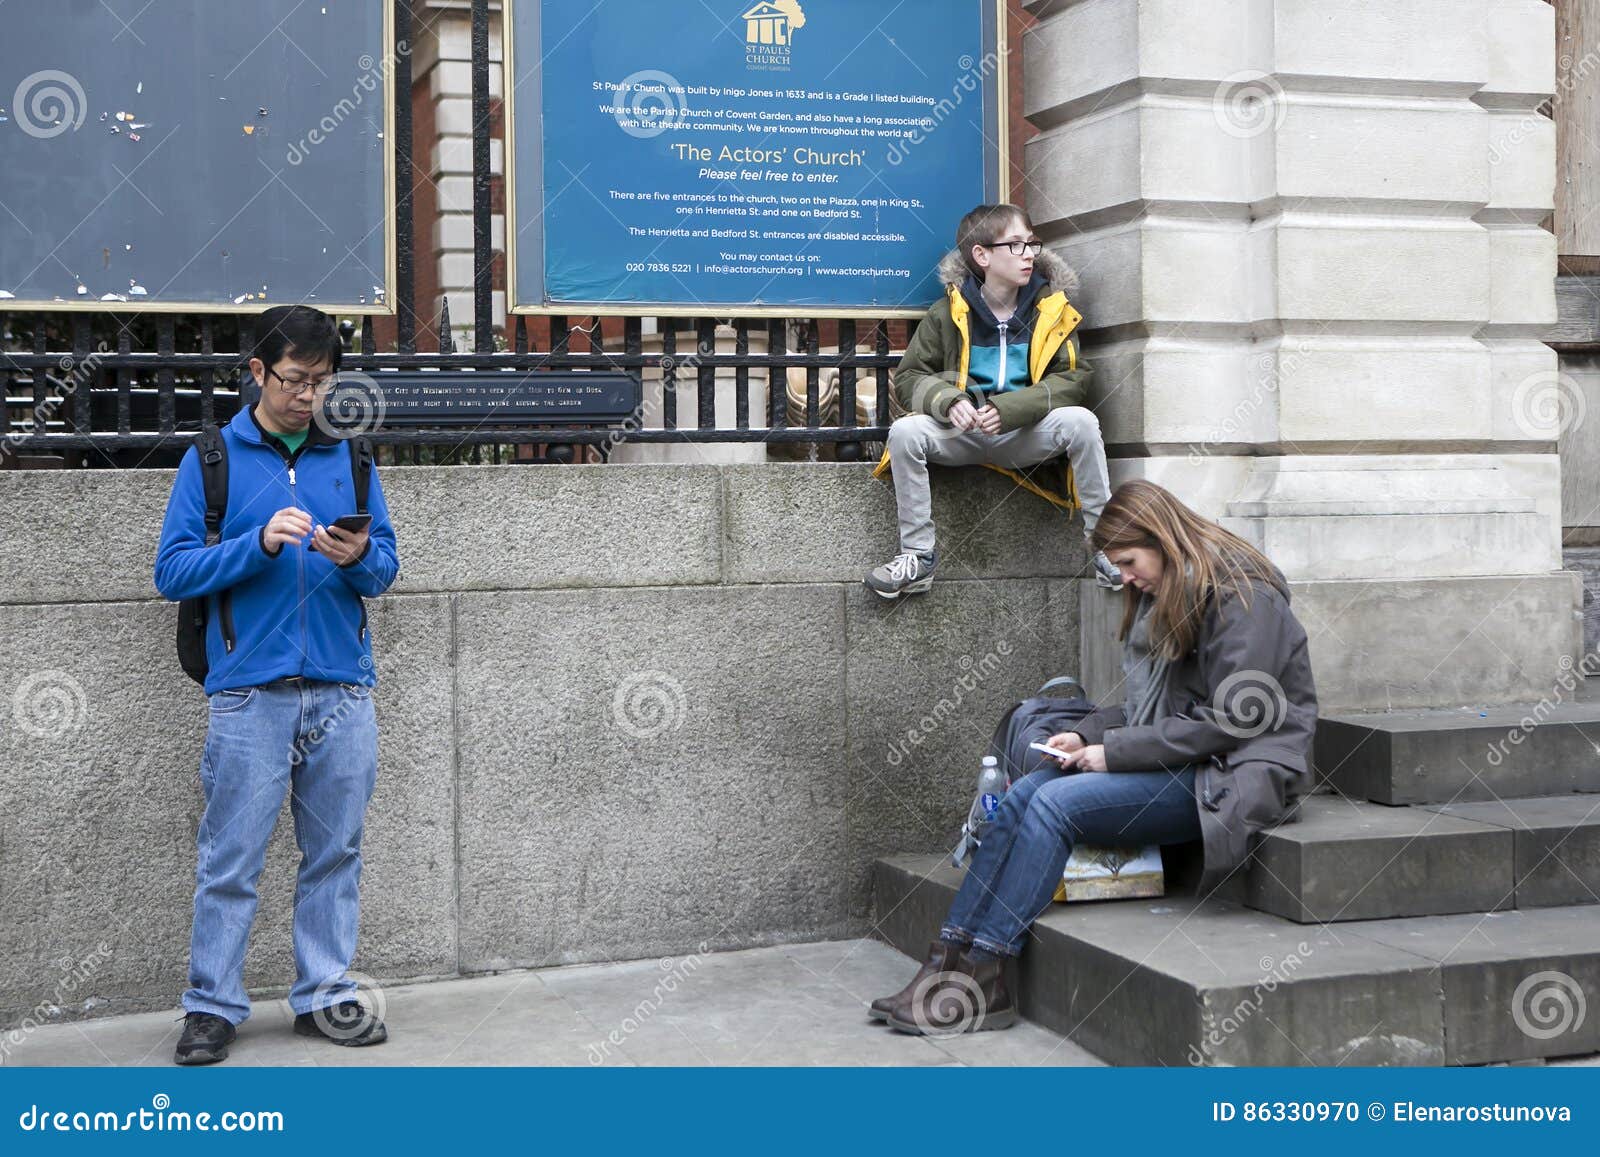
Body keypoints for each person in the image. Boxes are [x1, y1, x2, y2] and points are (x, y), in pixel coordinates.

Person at [869, 480, 1318, 1035]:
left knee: (1056, 805)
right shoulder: (1177, 592)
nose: (1125, 578)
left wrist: (1116, 754)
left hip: (1239, 774)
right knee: (1028, 792)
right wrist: (1086, 738)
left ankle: (986, 973)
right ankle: (946, 964)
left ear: (1164, 540)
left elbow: (1231, 721)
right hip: (1191, 762)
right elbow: (1157, 709)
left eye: (1129, 561)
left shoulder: (1246, 600)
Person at [154, 305, 400, 1064]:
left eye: (323, 380)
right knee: (230, 857)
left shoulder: (352, 458)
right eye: (296, 379)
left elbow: (385, 567)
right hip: (247, 693)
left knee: (335, 852)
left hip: (341, 690)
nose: (310, 396)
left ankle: (325, 995)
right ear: (257, 372)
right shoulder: (212, 459)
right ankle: (211, 1006)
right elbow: (173, 571)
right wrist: (254, 545)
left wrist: (353, 555)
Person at [867, 203, 1119, 598]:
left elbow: (1073, 379)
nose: (1029, 254)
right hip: (961, 434)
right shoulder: (948, 312)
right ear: (982, 255)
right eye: (1016, 245)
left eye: (1032, 244)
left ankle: (1108, 549)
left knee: (1082, 422)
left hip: (1024, 434)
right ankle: (918, 558)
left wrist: (1010, 411)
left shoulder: (1053, 310)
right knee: (905, 432)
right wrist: (949, 402)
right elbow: (910, 377)